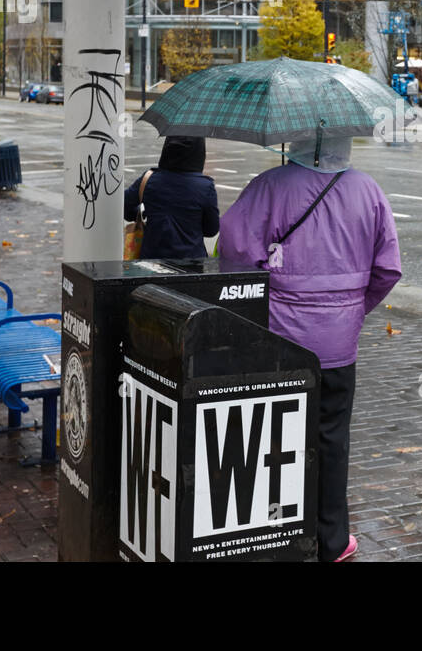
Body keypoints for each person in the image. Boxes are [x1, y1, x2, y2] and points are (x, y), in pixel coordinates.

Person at [218, 134, 401, 563]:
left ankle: (275, 533)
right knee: (332, 438)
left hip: (280, 337)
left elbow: (236, 251)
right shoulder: (368, 191)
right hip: (338, 344)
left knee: (273, 436)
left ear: (296, 140)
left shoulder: (270, 186)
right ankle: (332, 541)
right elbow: (388, 268)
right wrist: (353, 309)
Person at [122, 135, 219, 259]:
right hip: (191, 264)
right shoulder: (205, 187)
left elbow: (126, 207)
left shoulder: (149, 179)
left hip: (152, 260)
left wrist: (144, 213)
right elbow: (211, 230)